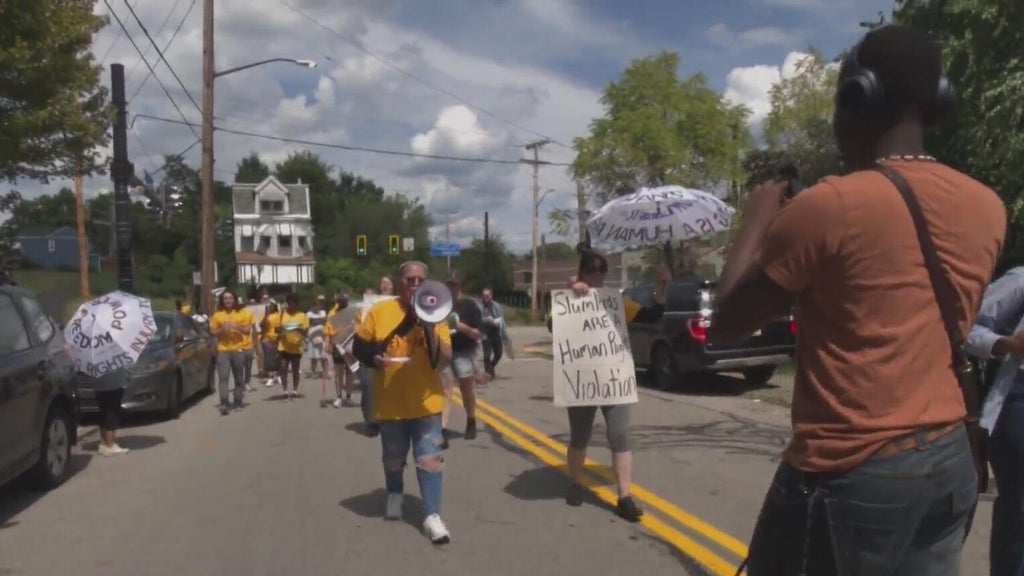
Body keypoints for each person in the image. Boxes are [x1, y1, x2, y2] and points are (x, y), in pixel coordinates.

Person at [711, 25, 1006, 575]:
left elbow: (726, 325)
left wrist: (756, 220)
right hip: (946, 461)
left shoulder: (829, 206)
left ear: (858, 96)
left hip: (851, 473)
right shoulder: (988, 207)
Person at [352, 261, 453, 544]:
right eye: (410, 280)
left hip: (426, 404)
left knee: (429, 460)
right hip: (391, 404)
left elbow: (443, 360)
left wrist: (431, 329)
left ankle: (432, 515)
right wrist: (375, 358)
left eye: (420, 280)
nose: (415, 285)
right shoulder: (381, 311)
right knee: (393, 459)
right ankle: (395, 495)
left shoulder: (436, 313)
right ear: (400, 282)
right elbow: (359, 346)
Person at [566, 250, 668, 522]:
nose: (598, 275)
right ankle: (575, 483)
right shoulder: (570, 299)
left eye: (602, 270)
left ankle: (625, 497)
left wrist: (662, 285)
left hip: (615, 378)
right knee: (580, 436)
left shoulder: (616, 301)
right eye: (591, 270)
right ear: (582, 272)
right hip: (582, 379)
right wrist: (571, 289)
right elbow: (554, 325)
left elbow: (651, 313)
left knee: (620, 434)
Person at [965, 267, 1024, 576]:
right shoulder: (1021, 280)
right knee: (1019, 512)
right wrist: (1008, 345)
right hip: (1018, 403)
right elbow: (966, 329)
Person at [440, 274, 484, 447]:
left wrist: (460, 327)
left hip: (464, 351)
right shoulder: (441, 305)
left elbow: (478, 332)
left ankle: (471, 419)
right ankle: (442, 430)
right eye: (448, 285)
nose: (451, 288)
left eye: (454, 286)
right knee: (445, 390)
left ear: (460, 288)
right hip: (444, 352)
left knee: (466, 389)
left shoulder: (469, 306)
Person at [209, 289, 256, 415]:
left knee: (238, 378)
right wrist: (222, 330)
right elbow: (212, 331)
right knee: (223, 377)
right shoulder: (217, 315)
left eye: (230, 298)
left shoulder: (240, 313)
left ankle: (238, 401)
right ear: (222, 301)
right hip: (223, 350)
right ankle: (224, 403)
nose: (228, 300)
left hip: (238, 349)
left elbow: (247, 330)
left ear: (234, 300)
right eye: (225, 298)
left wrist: (236, 327)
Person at [326, 292, 358, 408]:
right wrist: (328, 344)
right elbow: (329, 330)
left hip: (351, 345)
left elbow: (357, 328)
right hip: (337, 345)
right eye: (340, 301)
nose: (342, 303)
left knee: (351, 372)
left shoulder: (353, 312)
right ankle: (339, 396)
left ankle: (348, 397)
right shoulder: (332, 313)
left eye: (344, 301)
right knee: (338, 373)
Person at [277, 293, 309, 399]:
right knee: (283, 368)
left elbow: (305, 332)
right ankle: (285, 390)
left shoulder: (302, 316)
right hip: (283, 347)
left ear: (297, 304)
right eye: (289, 304)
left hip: (296, 347)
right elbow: (276, 329)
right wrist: (281, 329)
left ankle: (295, 390)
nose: (292, 306)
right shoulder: (281, 314)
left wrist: (298, 328)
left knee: (295, 370)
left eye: (294, 304)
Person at [479, 287, 508, 380]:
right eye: (484, 296)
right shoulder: (479, 307)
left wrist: (505, 335)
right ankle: (488, 373)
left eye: (487, 296)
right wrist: (486, 320)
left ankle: (490, 368)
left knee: (498, 353)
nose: (485, 297)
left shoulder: (497, 306)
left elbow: (502, 320)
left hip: (495, 330)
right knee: (487, 354)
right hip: (485, 332)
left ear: (491, 296)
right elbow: (477, 320)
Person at [234, 297, 258, 393]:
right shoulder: (233, 313)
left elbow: (254, 327)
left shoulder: (248, 313)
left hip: (248, 344)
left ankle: (247, 382)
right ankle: (239, 383)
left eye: (240, 303)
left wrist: (255, 340)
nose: (239, 305)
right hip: (237, 345)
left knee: (248, 366)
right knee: (238, 366)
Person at [307, 295, 329, 378]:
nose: (318, 307)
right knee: (314, 356)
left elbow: (326, 323)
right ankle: (313, 371)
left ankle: (326, 372)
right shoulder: (309, 314)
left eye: (319, 305)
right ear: (313, 306)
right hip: (313, 336)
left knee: (324, 356)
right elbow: (307, 326)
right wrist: (312, 333)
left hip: (322, 335)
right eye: (316, 305)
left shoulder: (323, 313)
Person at [261, 302, 282, 388]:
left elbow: (281, 327)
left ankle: (279, 375)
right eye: (268, 306)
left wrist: (279, 338)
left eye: (271, 306)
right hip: (267, 339)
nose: (270, 307)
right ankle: (270, 377)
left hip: (278, 339)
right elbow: (262, 326)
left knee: (278, 358)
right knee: (269, 359)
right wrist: (266, 315)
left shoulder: (280, 315)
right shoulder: (265, 315)